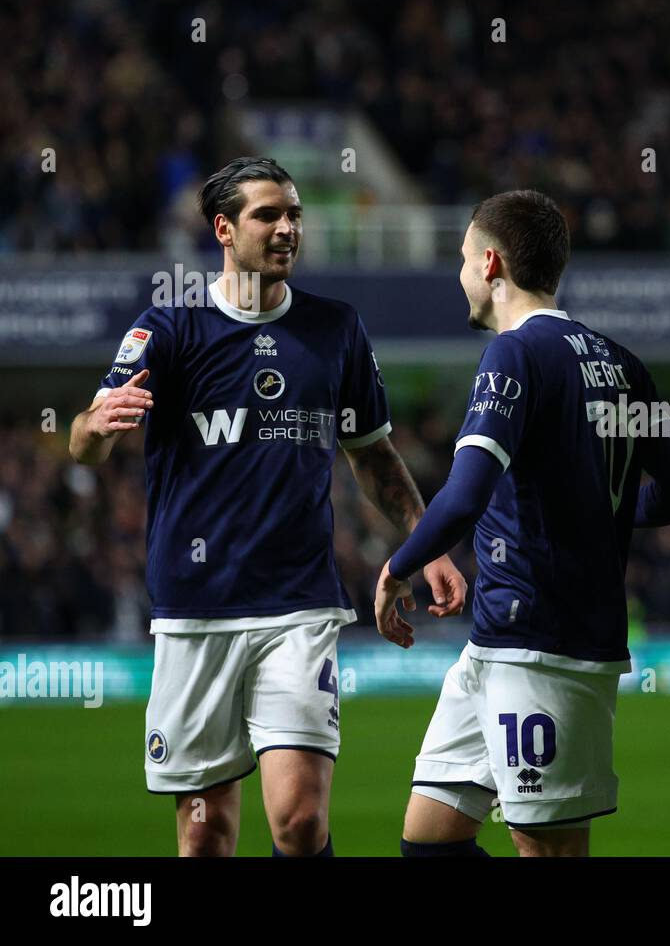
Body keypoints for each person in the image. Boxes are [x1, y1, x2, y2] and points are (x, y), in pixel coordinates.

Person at [68, 156, 466, 856]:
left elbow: (372, 456)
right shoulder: (170, 327)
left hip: (298, 604)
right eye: (268, 215)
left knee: (301, 820)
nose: (288, 228)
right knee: (207, 833)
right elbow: (85, 443)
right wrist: (92, 430)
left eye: (295, 215)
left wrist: (426, 541)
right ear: (224, 228)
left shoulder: (335, 329)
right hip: (194, 609)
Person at [379, 190, 670, 857]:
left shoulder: (515, 356)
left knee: (548, 851)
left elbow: (466, 495)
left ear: (492, 263)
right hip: (497, 644)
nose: (461, 275)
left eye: (465, 258)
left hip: (546, 649)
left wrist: (397, 566)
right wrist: (604, 511)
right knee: (429, 842)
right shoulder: (623, 365)